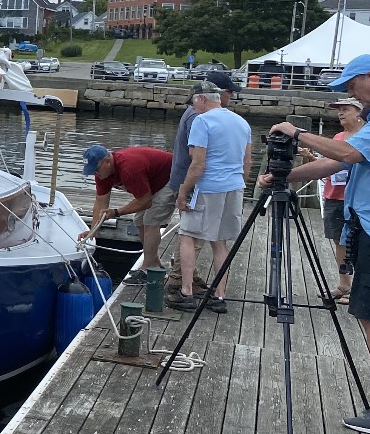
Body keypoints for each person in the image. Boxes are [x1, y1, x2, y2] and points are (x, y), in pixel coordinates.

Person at [260, 54, 370, 434]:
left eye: (351, 86)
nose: (351, 95)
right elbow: (338, 165)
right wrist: (282, 175)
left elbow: (349, 153)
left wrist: (296, 133)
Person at [175, 79, 253, 313]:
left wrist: (183, 191)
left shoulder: (202, 121)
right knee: (220, 242)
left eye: (193, 102)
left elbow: (197, 164)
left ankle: (186, 291)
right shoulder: (242, 122)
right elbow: (247, 162)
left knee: (187, 235)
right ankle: (219, 296)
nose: (192, 107)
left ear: (201, 99)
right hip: (235, 186)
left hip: (208, 187)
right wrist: (240, 182)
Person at [165, 69, 236, 292]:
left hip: (186, 177)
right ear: (220, 93)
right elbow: (199, 157)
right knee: (193, 235)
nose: (231, 98)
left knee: (194, 234)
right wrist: (186, 189)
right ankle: (179, 280)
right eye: (230, 93)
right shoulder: (200, 116)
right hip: (195, 181)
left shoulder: (193, 112)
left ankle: (189, 276)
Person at [78, 142, 175, 275]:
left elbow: (146, 202)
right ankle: (155, 264)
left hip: (171, 177)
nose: (95, 173)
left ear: (107, 161)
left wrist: (117, 212)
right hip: (153, 183)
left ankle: (146, 270)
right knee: (139, 221)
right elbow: (100, 203)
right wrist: (93, 230)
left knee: (150, 221)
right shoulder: (102, 175)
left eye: (96, 169)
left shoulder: (129, 168)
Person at [312, 97, 366, 304]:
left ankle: (358, 289)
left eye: (346, 109)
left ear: (359, 112)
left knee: (359, 243)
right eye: (339, 110)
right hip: (333, 195)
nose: (340, 114)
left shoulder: (366, 136)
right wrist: (310, 158)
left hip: (355, 199)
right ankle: (345, 284)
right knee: (338, 240)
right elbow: (328, 165)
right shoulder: (338, 136)